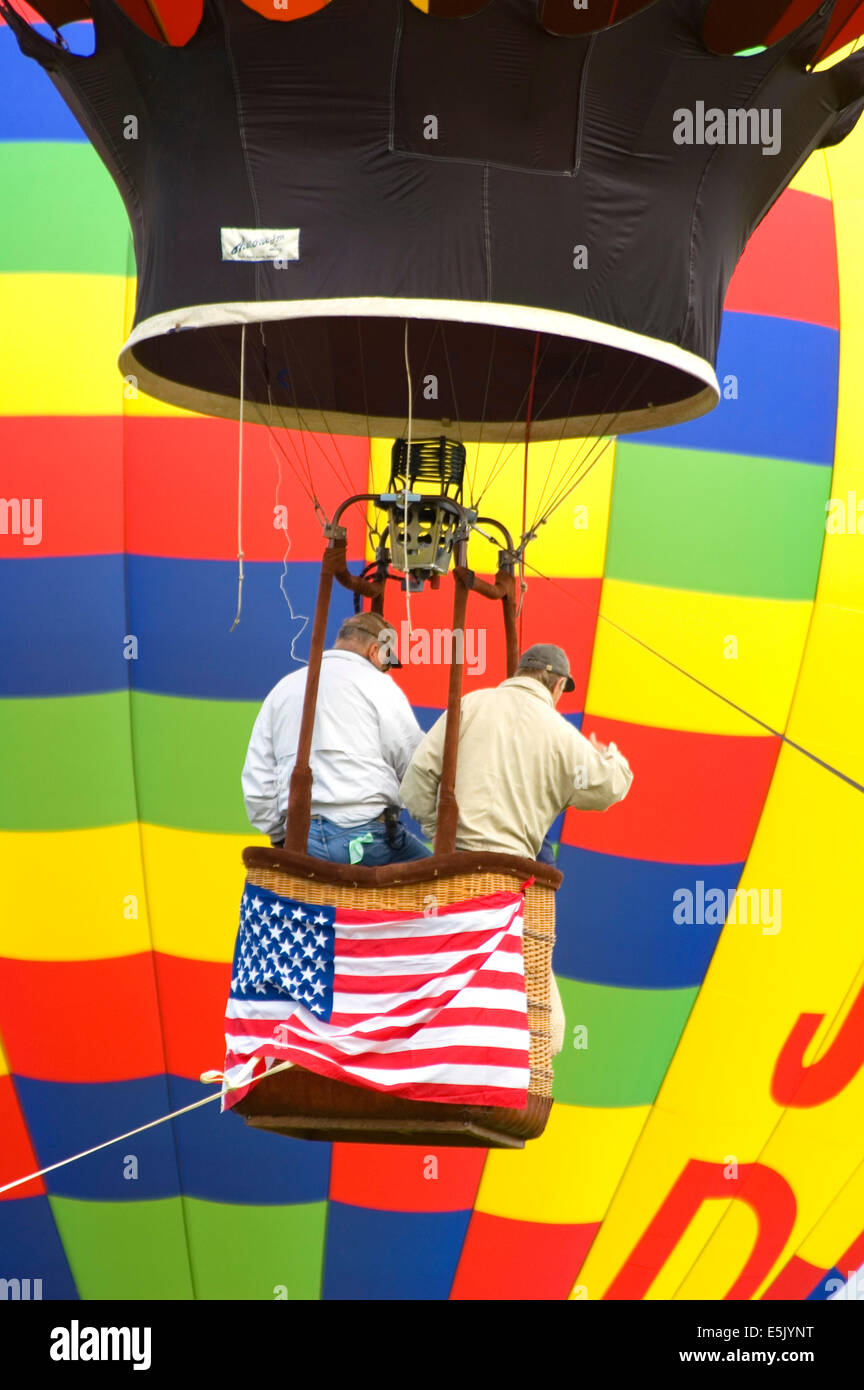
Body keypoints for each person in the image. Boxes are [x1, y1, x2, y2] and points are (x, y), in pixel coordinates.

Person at [400, 643, 633, 1051]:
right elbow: (609, 787)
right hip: (511, 889)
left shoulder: (472, 704)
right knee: (547, 1026)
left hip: (450, 875)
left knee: (432, 987)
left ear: (520, 670)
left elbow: (418, 776)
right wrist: (608, 755)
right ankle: (511, 1088)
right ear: (559, 685)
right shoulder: (562, 735)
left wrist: (440, 833)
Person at [242, 611, 431, 865]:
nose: (386, 671)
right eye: (387, 663)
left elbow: (258, 781)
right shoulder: (378, 685)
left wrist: (281, 840)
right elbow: (414, 765)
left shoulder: (283, 689)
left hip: (300, 840)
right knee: (446, 890)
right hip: (368, 837)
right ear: (374, 651)